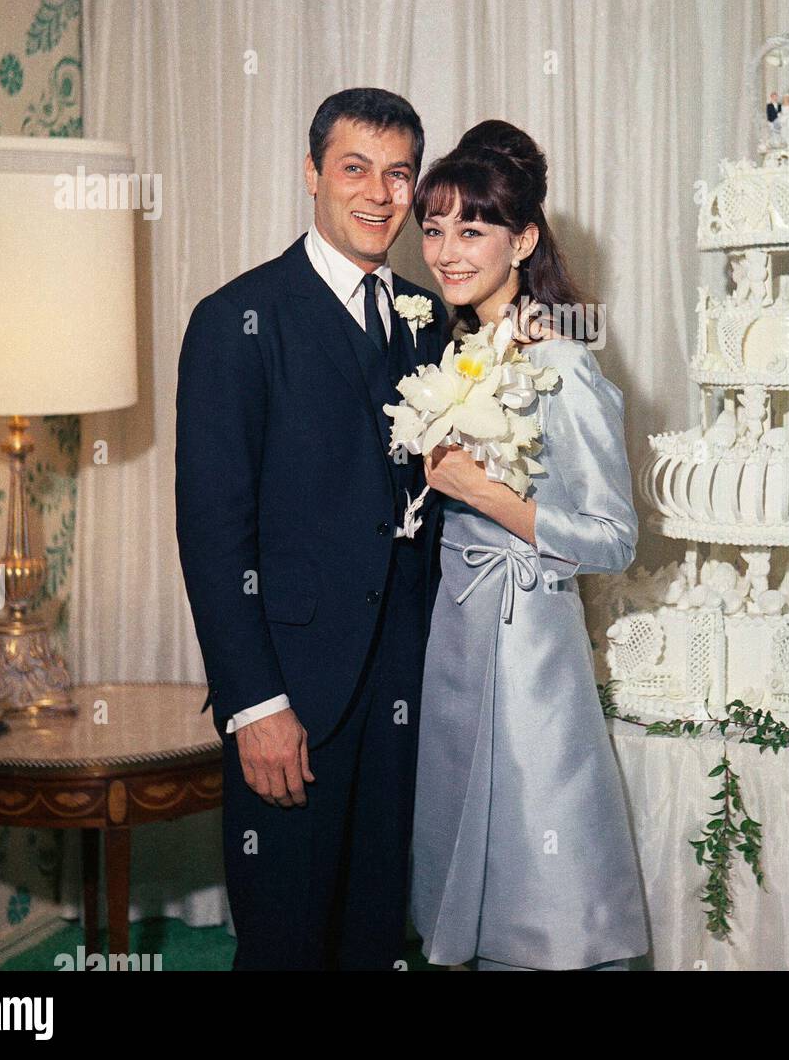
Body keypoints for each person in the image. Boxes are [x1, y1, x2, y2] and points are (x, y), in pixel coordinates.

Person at [175, 87, 447, 969]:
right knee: (287, 940)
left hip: (404, 692)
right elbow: (213, 534)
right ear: (312, 176)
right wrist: (254, 705)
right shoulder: (235, 322)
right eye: (355, 168)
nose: (379, 193)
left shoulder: (434, 320)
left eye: (398, 173)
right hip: (290, 698)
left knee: (377, 937)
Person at [409, 119, 650, 971]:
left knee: (535, 871)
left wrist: (487, 496)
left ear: (524, 239)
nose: (445, 250)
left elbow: (613, 537)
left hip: (529, 642)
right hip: (458, 626)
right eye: (433, 227)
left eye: (471, 228)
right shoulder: (461, 350)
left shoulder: (565, 363)